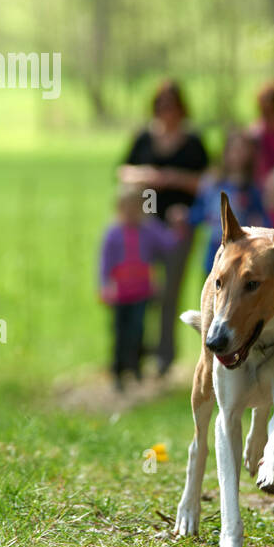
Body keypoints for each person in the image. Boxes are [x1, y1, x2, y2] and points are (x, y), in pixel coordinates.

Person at [118, 79, 209, 377]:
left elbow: (207, 181)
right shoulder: (144, 138)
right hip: (144, 226)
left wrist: (173, 178)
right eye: (161, 105)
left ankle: (164, 356)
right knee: (140, 288)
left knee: (170, 291)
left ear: (181, 108)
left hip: (179, 226)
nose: (166, 111)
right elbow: (122, 171)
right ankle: (135, 351)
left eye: (171, 105)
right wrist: (147, 176)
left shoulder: (193, 142)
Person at [99, 185, 187, 391]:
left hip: (141, 291)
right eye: (126, 208)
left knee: (138, 330)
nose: (131, 213)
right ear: (119, 209)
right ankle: (118, 370)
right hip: (120, 292)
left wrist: (178, 228)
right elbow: (104, 262)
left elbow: (169, 244)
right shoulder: (113, 233)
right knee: (120, 331)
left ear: (141, 208)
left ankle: (136, 367)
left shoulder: (149, 229)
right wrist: (105, 285)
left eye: (135, 208)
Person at [190, 127, 269, 277]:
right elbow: (200, 211)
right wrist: (186, 216)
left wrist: (258, 222)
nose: (237, 154)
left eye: (242, 150)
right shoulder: (212, 184)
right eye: (233, 149)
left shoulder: (252, 188)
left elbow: (263, 219)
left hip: (242, 255)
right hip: (214, 251)